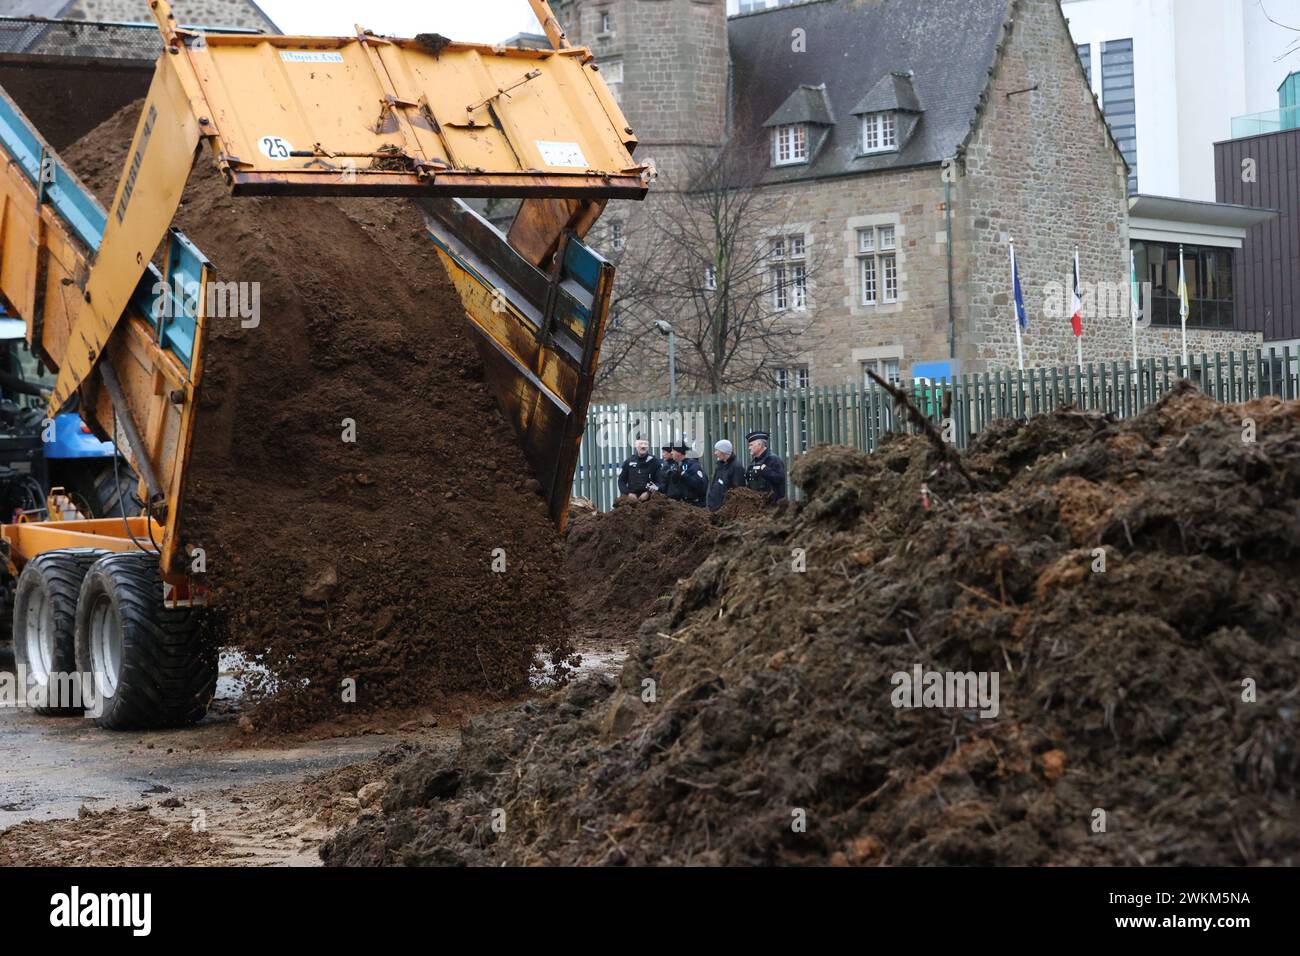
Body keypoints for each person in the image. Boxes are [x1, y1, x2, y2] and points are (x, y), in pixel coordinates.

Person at [744, 430, 786, 504]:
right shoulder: (754, 462)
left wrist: (765, 470)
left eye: (751, 445)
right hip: (757, 505)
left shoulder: (773, 459)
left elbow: (780, 478)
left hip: (771, 506)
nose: (749, 448)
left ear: (759, 445)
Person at [617, 437, 661, 502]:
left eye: (645, 444)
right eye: (640, 444)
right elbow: (621, 481)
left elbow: (660, 483)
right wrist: (628, 493)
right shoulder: (628, 462)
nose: (643, 446)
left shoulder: (654, 462)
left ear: (648, 447)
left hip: (650, 502)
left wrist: (648, 493)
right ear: (636, 446)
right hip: (631, 501)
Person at [664, 440, 707, 506]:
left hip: (693, 507)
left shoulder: (693, 465)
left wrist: (683, 474)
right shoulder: (679, 465)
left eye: (673, 450)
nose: (671, 453)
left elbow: (700, 484)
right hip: (683, 506)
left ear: (679, 452)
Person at [706, 439, 743, 512]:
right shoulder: (720, 466)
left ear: (724, 451)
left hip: (725, 512)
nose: (715, 453)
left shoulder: (736, 467)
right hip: (715, 508)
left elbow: (738, 491)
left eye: (717, 450)